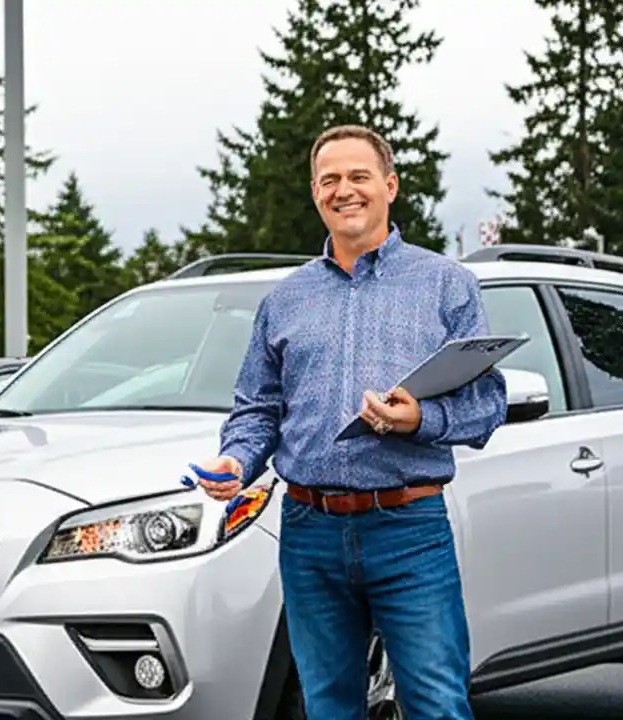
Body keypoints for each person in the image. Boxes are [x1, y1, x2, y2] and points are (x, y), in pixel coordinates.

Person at [191, 124, 508, 719]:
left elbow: (488, 405)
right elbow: (257, 408)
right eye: (329, 179)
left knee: (437, 705)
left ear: (389, 185)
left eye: (359, 176)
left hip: (409, 529)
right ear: (315, 193)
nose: (345, 190)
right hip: (309, 532)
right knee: (328, 707)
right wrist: (236, 460)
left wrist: (421, 417)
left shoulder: (447, 285)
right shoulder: (285, 299)